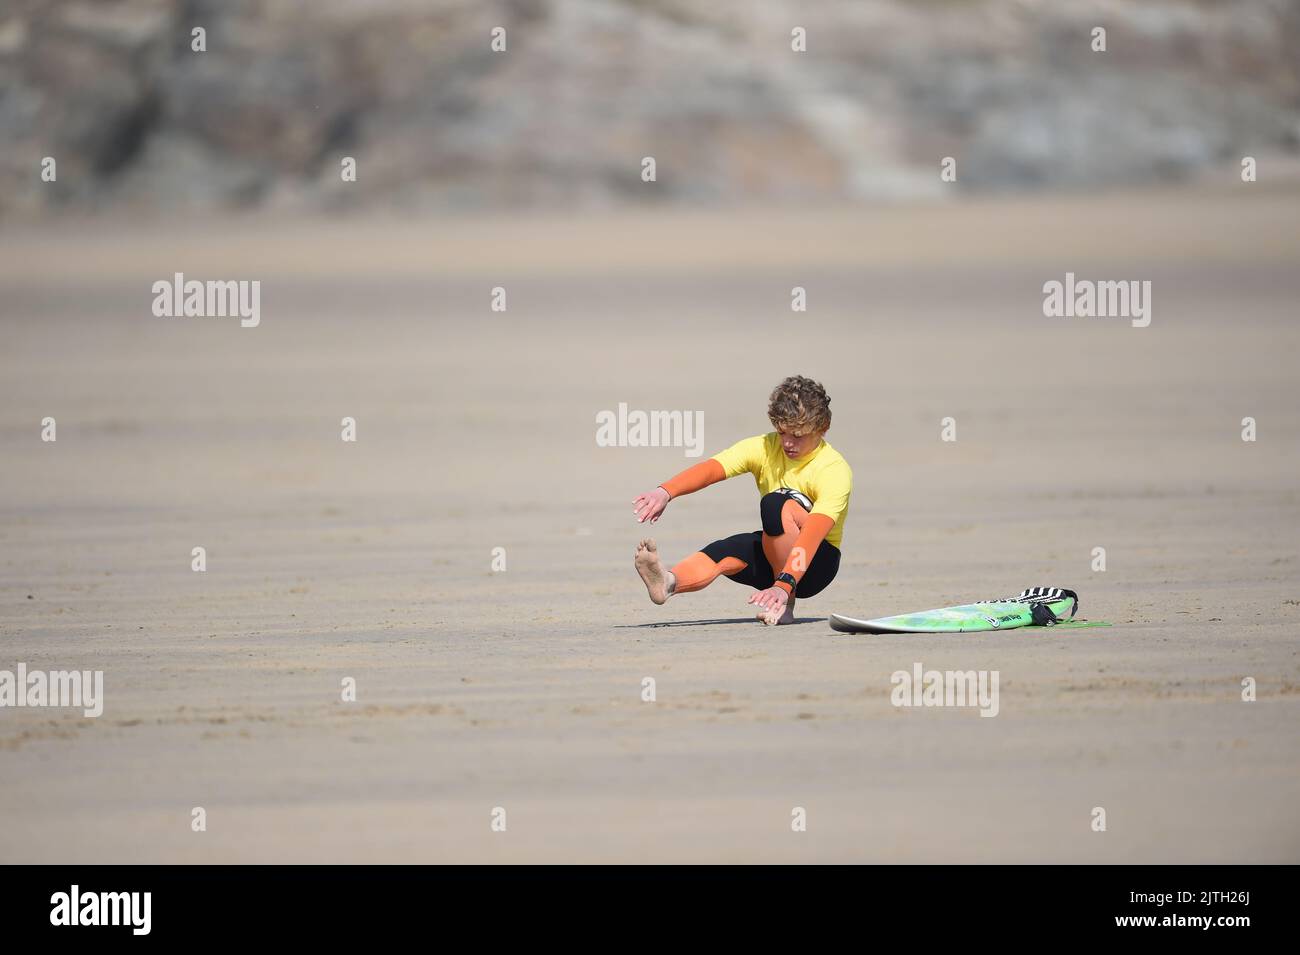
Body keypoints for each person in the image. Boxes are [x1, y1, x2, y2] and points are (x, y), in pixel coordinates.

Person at [632, 375, 852, 625]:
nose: (788, 442)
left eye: (798, 435)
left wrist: (784, 584)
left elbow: (813, 532)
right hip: (776, 555)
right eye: (782, 432)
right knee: (726, 550)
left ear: (822, 428)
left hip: (816, 564)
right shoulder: (765, 447)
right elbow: (713, 469)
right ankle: (668, 583)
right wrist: (665, 492)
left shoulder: (833, 470)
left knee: (775, 504)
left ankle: (785, 604)